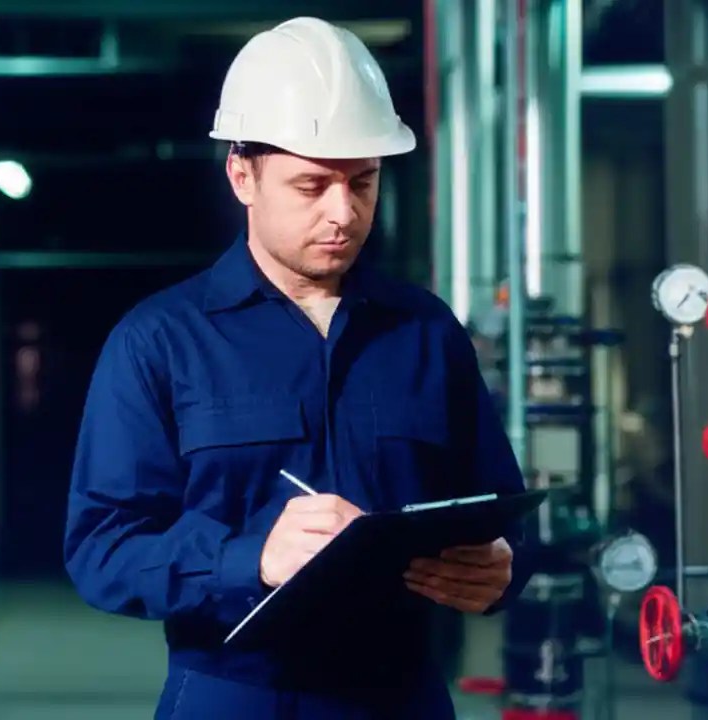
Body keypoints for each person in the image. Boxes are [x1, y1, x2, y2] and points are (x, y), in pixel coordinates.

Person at [63, 16, 531, 719]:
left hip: (401, 696)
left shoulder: (427, 333)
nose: (342, 213)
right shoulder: (159, 342)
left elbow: (496, 509)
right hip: (234, 695)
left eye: (363, 183)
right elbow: (102, 550)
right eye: (312, 186)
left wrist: (503, 569)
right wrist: (249, 559)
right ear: (242, 175)